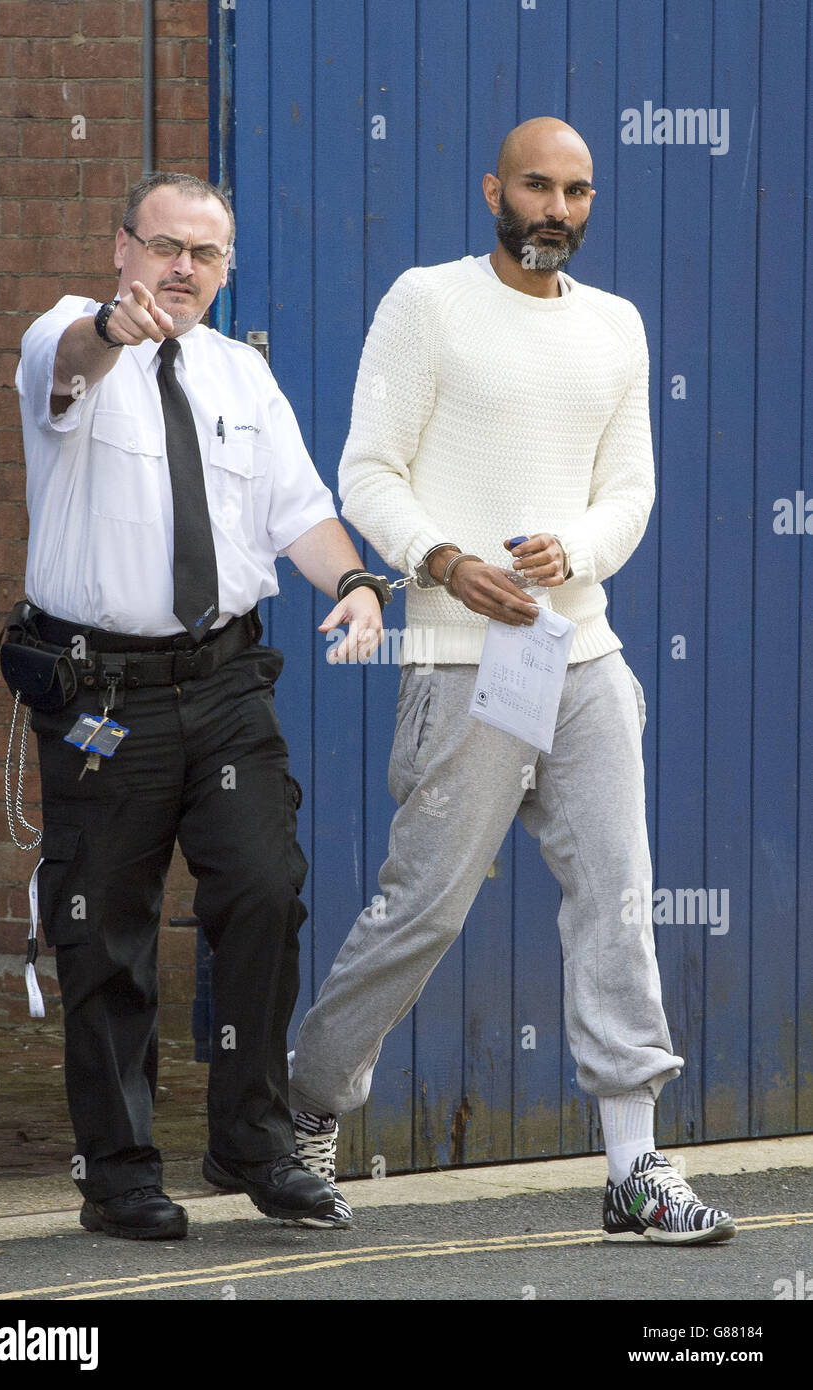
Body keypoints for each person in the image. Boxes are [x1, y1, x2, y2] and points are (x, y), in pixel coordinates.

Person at [289, 119, 736, 1244]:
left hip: (581, 653)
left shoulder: (616, 327)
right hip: (456, 653)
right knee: (424, 907)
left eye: (577, 192)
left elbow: (628, 490)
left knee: (617, 903)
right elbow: (368, 469)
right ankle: (301, 1107)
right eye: (537, 186)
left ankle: (633, 1166)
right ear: (493, 187)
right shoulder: (426, 302)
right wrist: (444, 562)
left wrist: (571, 553)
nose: (557, 209)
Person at [13, 171, 382, 1239]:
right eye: (163, 246)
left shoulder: (240, 374)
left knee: (265, 890)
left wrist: (353, 583)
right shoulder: (63, 337)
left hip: (223, 681)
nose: (181, 269)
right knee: (106, 926)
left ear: (224, 270)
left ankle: (250, 1139)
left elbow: (299, 513)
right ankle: (119, 1170)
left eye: (204, 254)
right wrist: (104, 332)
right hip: (102, 694)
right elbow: (68, 370)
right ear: (120, 246)